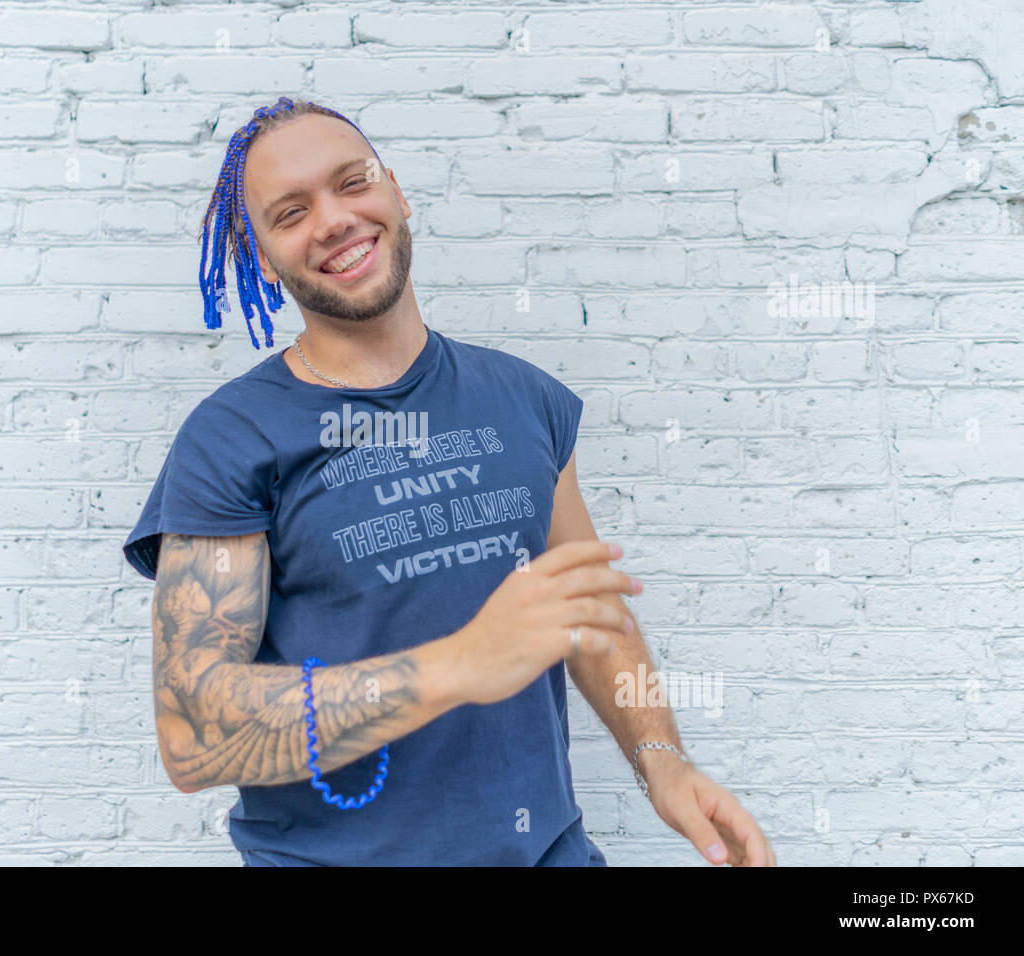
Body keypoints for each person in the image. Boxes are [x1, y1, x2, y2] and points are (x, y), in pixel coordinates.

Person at [123, 96, 776, 867]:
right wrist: (457, 664)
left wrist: (663, 761)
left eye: (352, 182)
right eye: (291, 212)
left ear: (396, 192)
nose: (333, 219)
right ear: (263, 258)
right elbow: (194, 737)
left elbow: (591, 611)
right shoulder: (231, 440)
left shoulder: (524, 399)